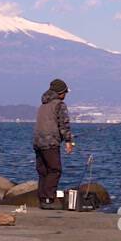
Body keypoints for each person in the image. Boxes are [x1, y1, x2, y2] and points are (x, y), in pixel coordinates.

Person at [33, 79, 75, 209]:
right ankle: (48, 199)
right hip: (50, 142)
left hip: (37, 142)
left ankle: (42, 198)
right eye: (65, 92)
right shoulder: (59, 105)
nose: (66, 95)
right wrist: (68, 141)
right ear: (61, 93)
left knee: (43, 171)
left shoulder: (43, 104)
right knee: (55, 170)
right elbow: (64, 125)